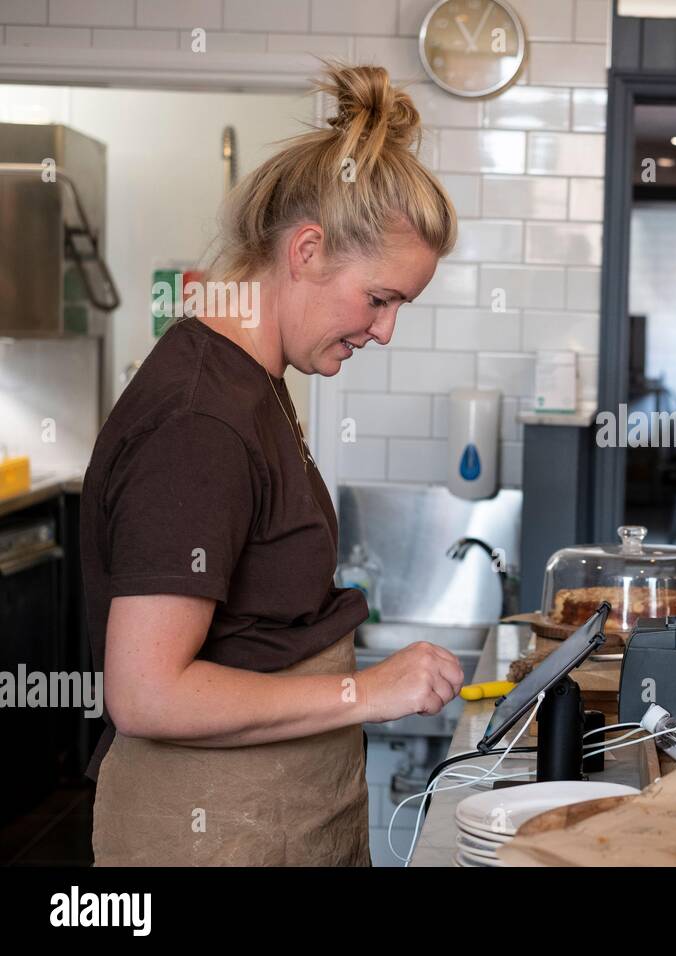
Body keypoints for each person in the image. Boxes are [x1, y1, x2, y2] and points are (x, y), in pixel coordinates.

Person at [81, 63, 463, 865]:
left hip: (273, 817)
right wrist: (373, 689)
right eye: (381, 298)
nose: (385, 331)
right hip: (210, 830)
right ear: (308, 250)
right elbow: (146, 691)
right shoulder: (200, 421)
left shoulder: (253, 383)